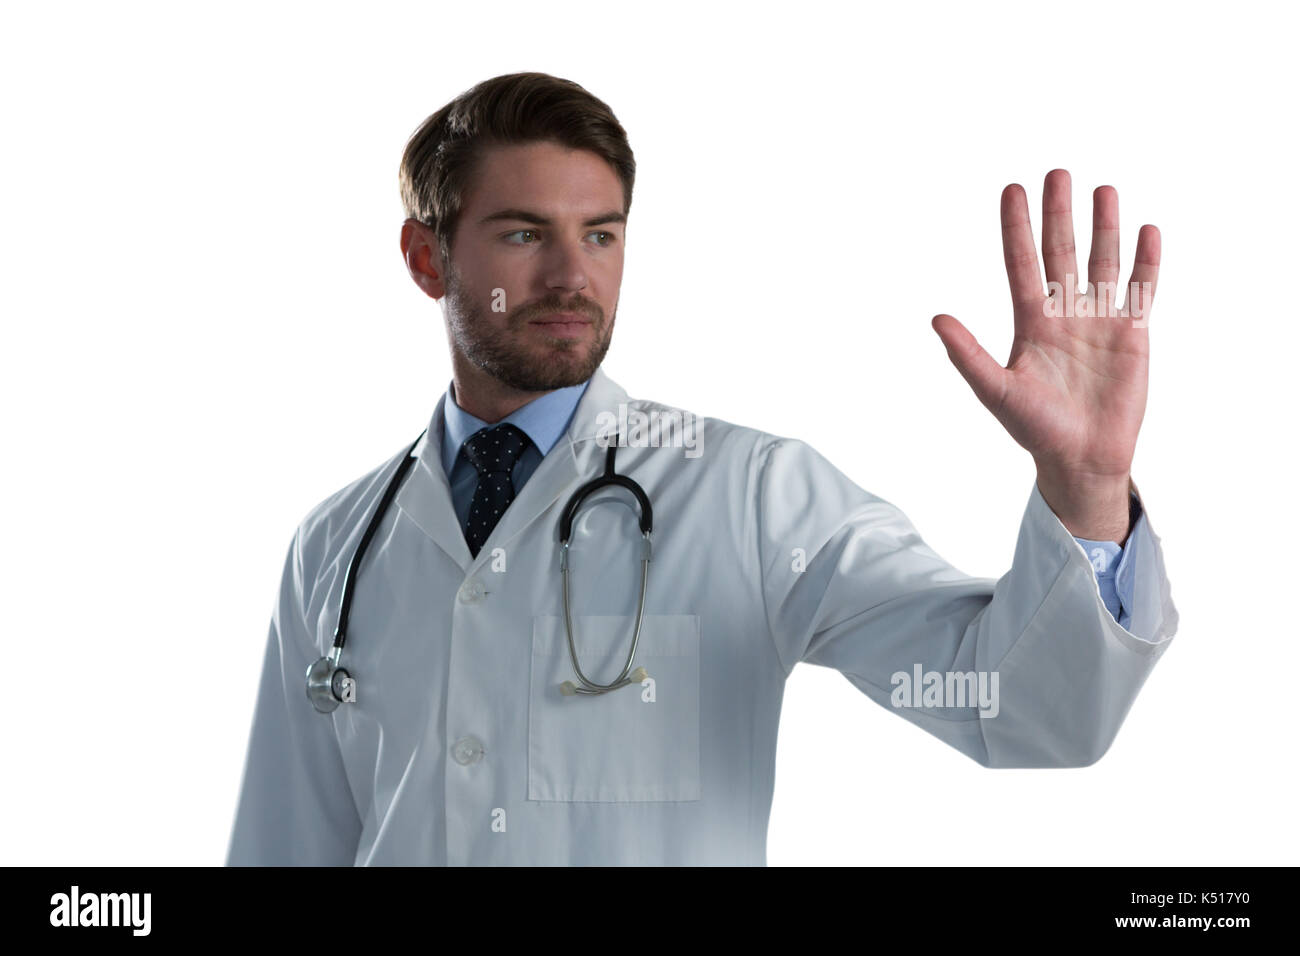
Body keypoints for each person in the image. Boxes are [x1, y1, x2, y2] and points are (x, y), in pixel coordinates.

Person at [225, 72, 1178, 866]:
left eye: (600, 233)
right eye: (524, 234)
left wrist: (1086, 487)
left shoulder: (751, 496)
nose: (572, 276)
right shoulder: (337, 547)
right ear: (427, 258)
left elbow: (1015, 709)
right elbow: (284, 845)